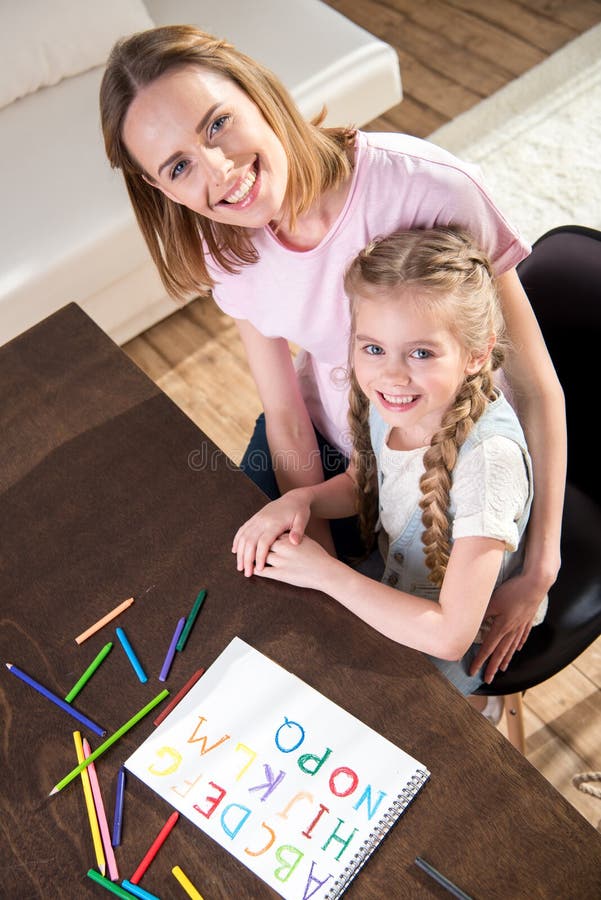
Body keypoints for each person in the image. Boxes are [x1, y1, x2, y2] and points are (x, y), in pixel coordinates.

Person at [99, 25, 565, 684]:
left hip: (444, 457)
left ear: (258, 94)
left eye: (217, 125)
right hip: (345, 456)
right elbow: (286, 419)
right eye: (177, 167)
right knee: (222, 597)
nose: (219, 170)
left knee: (388, 675)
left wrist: (542, 565)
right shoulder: (226, 249)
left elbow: (536, 384)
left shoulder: (431, 189)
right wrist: (317, 551)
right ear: (160, 190)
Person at [232, 226, 547, 703]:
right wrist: (304, 498)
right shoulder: (394, 402)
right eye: (373, 348)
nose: (392, 374)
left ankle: (482, 709)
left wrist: (327, 573)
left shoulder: (489, 464)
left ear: (478, 354)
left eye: (421, 352)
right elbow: (363, 480)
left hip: (450, 641)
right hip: (391, 586)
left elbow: (448, 636)